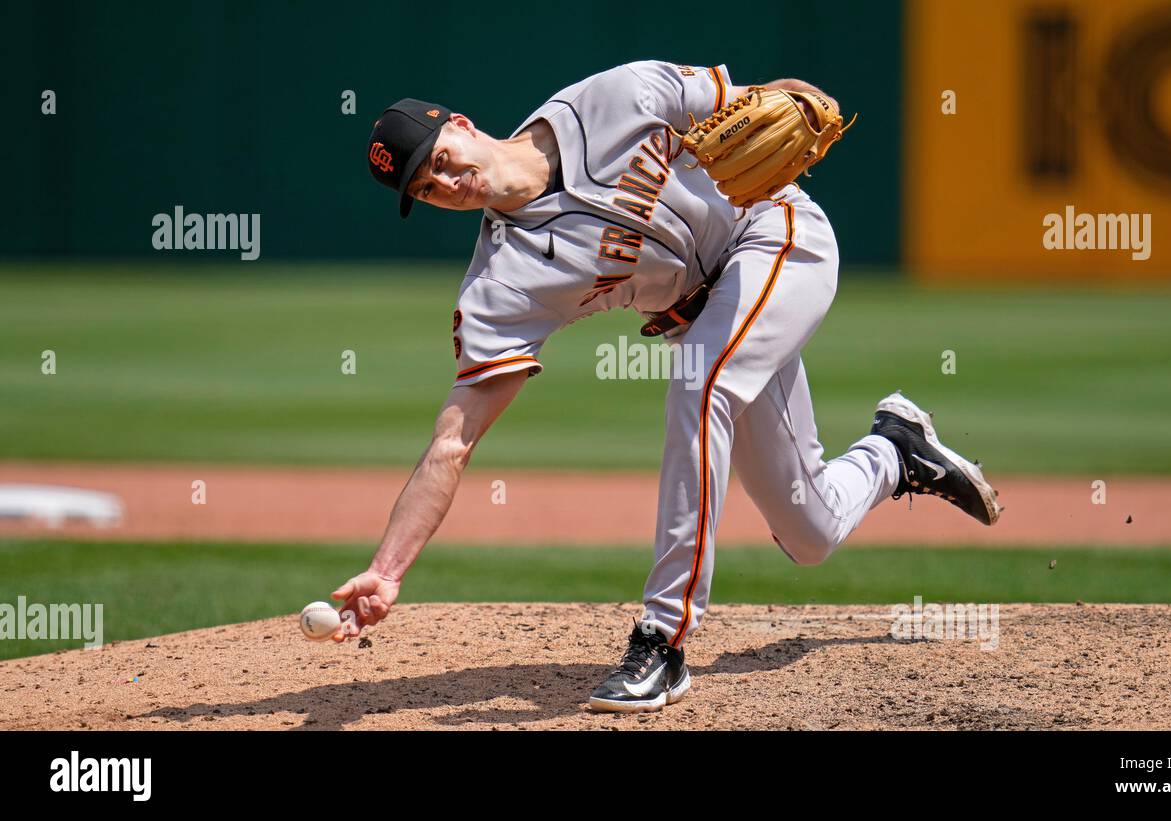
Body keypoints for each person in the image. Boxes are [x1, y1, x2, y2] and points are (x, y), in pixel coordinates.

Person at [336, 61, 1001, 713]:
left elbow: (751, 100)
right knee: (810, 531)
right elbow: (454, 439)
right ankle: (897, 449)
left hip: (775, 236)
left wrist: (794, 102)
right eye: (426, 187)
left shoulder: (609, 99)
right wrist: (387, 570)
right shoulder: (499, 287)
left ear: (461, 124)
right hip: (708, 320)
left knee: (698, 386)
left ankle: (662, 638)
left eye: (439, 157)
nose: (445, 181)